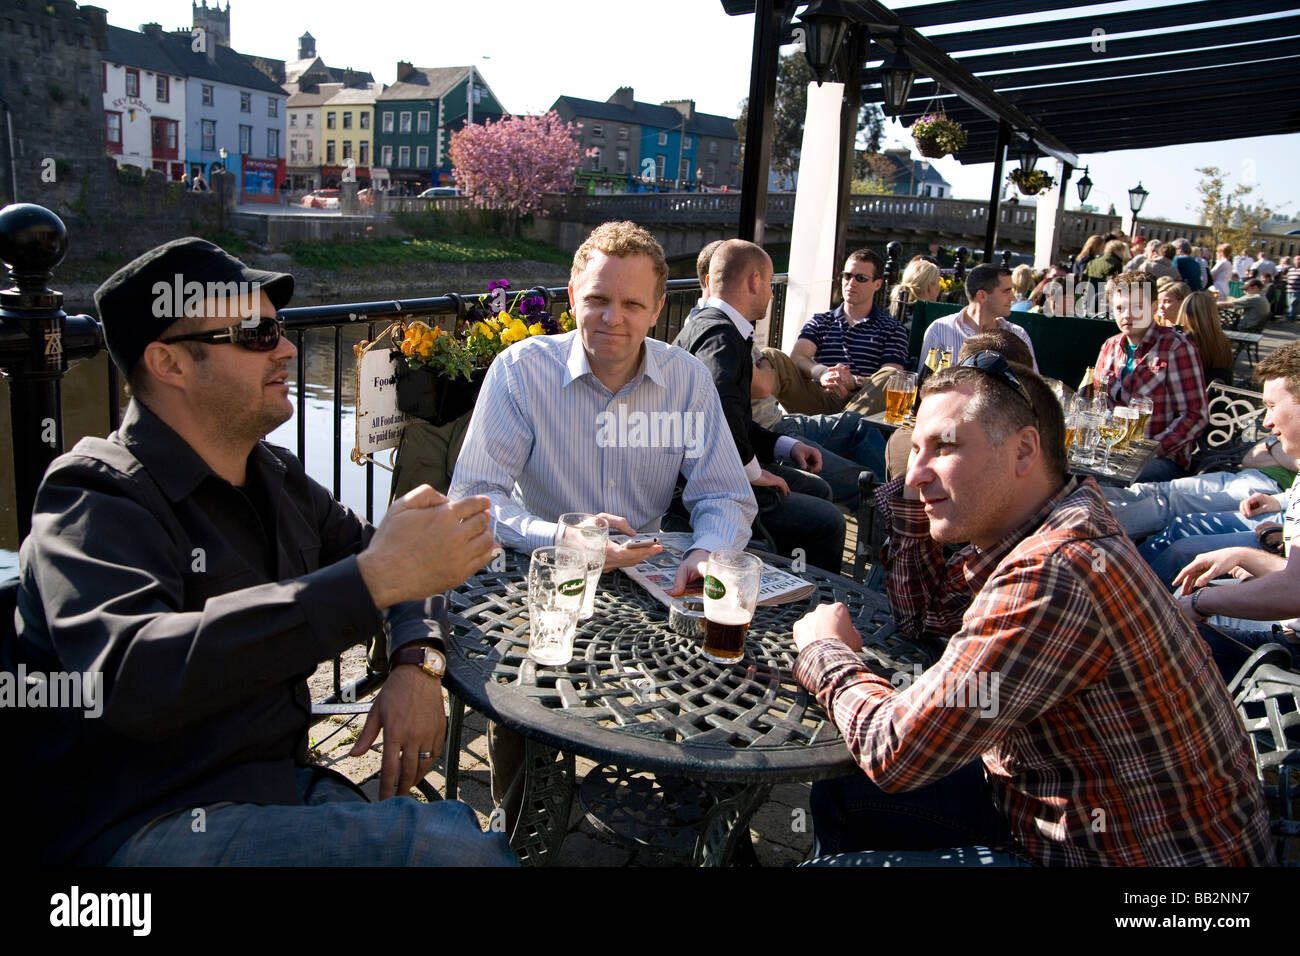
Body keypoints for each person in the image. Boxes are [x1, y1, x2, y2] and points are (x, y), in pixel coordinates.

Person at [12, 237, 517, 867]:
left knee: (453, 836)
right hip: (136, 823)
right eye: (254, 334)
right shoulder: (93, 494)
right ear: (168, 363)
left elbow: (399, 562)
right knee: (454, 851)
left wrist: (417, 663)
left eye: (278, 330)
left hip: (273, 786)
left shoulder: (273, 475)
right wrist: (368, 580)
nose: (285, 348)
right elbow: (129, 677)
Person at [791, 350, 1272, 865]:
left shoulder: (1054, 572)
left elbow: (894, 751)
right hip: (1080, 812)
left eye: (944, 447)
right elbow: (926, 619)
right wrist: (921, 496)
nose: (912, 477)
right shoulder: (1056, 523)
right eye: (916, 449)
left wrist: (825, 651)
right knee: (842, 794)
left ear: (1025, 452)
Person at [447, 221, 757, 829]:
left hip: (648, 578)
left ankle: (682, 815)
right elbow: (478, 496)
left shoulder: (687, 381)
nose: (613, 317)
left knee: (712, 681)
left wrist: (708, 552)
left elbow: (725, 494)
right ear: (572, 295)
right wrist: (562, 537)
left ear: (659, 309)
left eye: (633, 303)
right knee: (522, 701)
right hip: (542, 575)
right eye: (597, 299)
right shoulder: (520, 371)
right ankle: (518, 831)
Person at [673, 240, 846, 572]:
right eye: (768, 283)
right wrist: (753, 472)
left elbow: (726, 414)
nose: (770, 293)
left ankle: (789, 572)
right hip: (707, 487)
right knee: (829, 523)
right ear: (754, 281)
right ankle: (802, 599)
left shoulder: (708, 327)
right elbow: (722, 410)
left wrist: (786, 444)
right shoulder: (720, 337)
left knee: (818, 488)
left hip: (712, 470)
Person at [1174, 341, 1300, 676]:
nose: (1267, 422)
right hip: (1286, 632)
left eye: (1272, 406)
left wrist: (1201, 603)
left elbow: (1294, 591)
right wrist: (1244, 556)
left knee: (1168, 633)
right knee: (1177, 599)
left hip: (1288, 662)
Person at [760, 248, 908, 416]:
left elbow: (892, 377)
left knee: (891, 375)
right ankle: (838, 429)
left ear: (877, 284)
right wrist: (823, 373)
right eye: (847, 276)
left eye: (861, 278)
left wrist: (854, 381)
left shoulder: (892, 328)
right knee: (771, 356)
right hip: (819, 397)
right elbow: (798, 357)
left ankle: (836, 427)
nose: (851, 283)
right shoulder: (821, 320)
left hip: (863, 401)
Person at [1093, 270, 1207, 481]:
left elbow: (1195, 415)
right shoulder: (1110, 346)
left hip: (1163, 460)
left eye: (1136, 307)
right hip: (1110, 452)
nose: (1126, 315)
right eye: (1120, 308)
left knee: (1102, 481)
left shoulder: (1176, 347)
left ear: (1154, 307)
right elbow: (1099, 403)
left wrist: (1146, 451)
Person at [916, 264, 1037, 373]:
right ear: (982, 295)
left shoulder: (1018, 335)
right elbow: (925, 384)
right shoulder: (940, 330)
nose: (1013, 298)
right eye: (1007, 291)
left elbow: (1033, 388)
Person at [1176, 290, 1234, 385]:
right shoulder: (1223, 339)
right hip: (1219, 394)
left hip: (1195, 393)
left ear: (1185, 313)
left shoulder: (1184, 340)